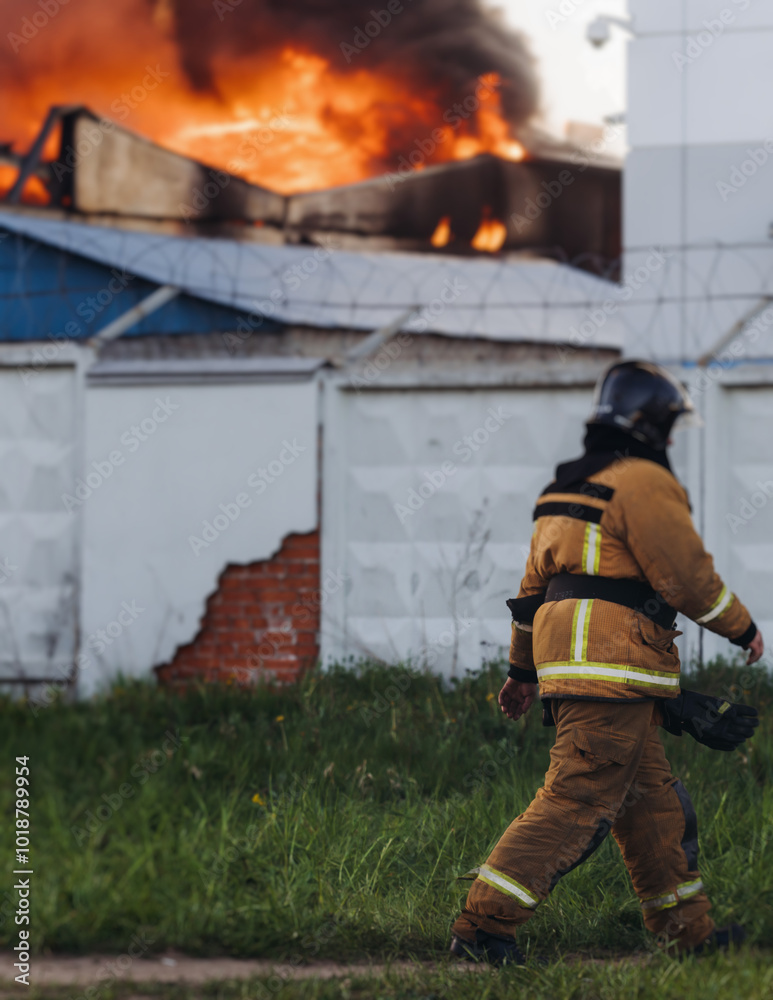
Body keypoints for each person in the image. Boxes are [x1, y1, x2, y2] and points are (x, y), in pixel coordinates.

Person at [449, 360, 763, 965]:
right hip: (613, 663)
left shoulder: (561, 488)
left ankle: (686, 935)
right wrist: (741, 628)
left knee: (652, 804)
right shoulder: (643, 482)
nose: (671, 439)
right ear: (646, 425)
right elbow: (687, 576)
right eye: (667, 425)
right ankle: (483, 928)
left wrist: (521, 673)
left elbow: (531, 591)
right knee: (577, 800)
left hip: (576, 661)